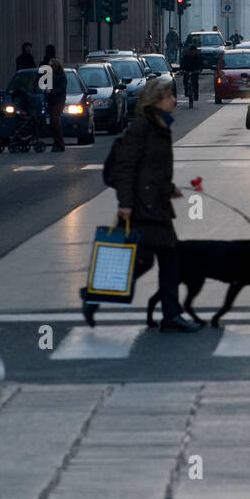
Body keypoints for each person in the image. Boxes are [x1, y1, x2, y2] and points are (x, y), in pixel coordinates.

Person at [84, 78, 197, 333]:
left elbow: (153, 169)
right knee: (168, 259)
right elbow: (126, 167)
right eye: (169, 96)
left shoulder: (160, 126)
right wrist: (125, 204)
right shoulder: (143, 128)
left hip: (154, 204)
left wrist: (169, 189)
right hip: (143, 207)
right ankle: (170, 315)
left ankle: (94, 297)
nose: (174, 101)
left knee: (145, 262)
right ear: (156, 100)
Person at [40, 44, 67, 150]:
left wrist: (51, 91)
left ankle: (60, 143)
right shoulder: (49, 76)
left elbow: (62, 89)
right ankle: (56, 142)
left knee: (55, 120)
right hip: (51, 100)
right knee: (52, 122)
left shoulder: (61, 76)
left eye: (51, 66)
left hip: (59, 100)